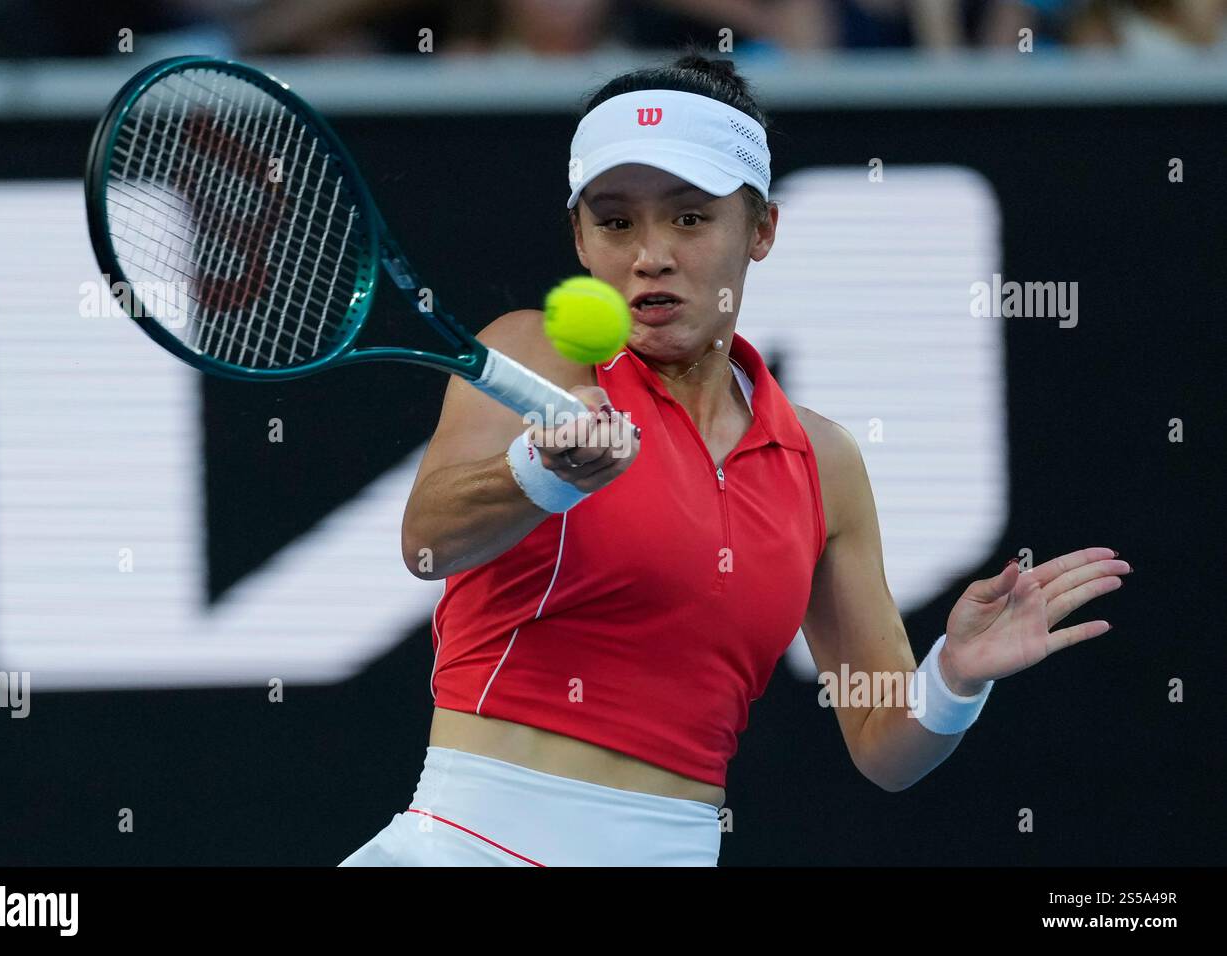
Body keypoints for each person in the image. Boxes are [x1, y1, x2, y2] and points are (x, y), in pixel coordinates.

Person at [338, 47, 1131, 867]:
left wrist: (956, 679)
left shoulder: (822, 461)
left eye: (690, 217)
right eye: (615, 221)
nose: (651, 254)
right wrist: (542, 473)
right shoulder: (535, 358)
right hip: (469, 848)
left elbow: (883, 742)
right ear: (578, 236)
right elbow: (426, 542)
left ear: (761, 230)